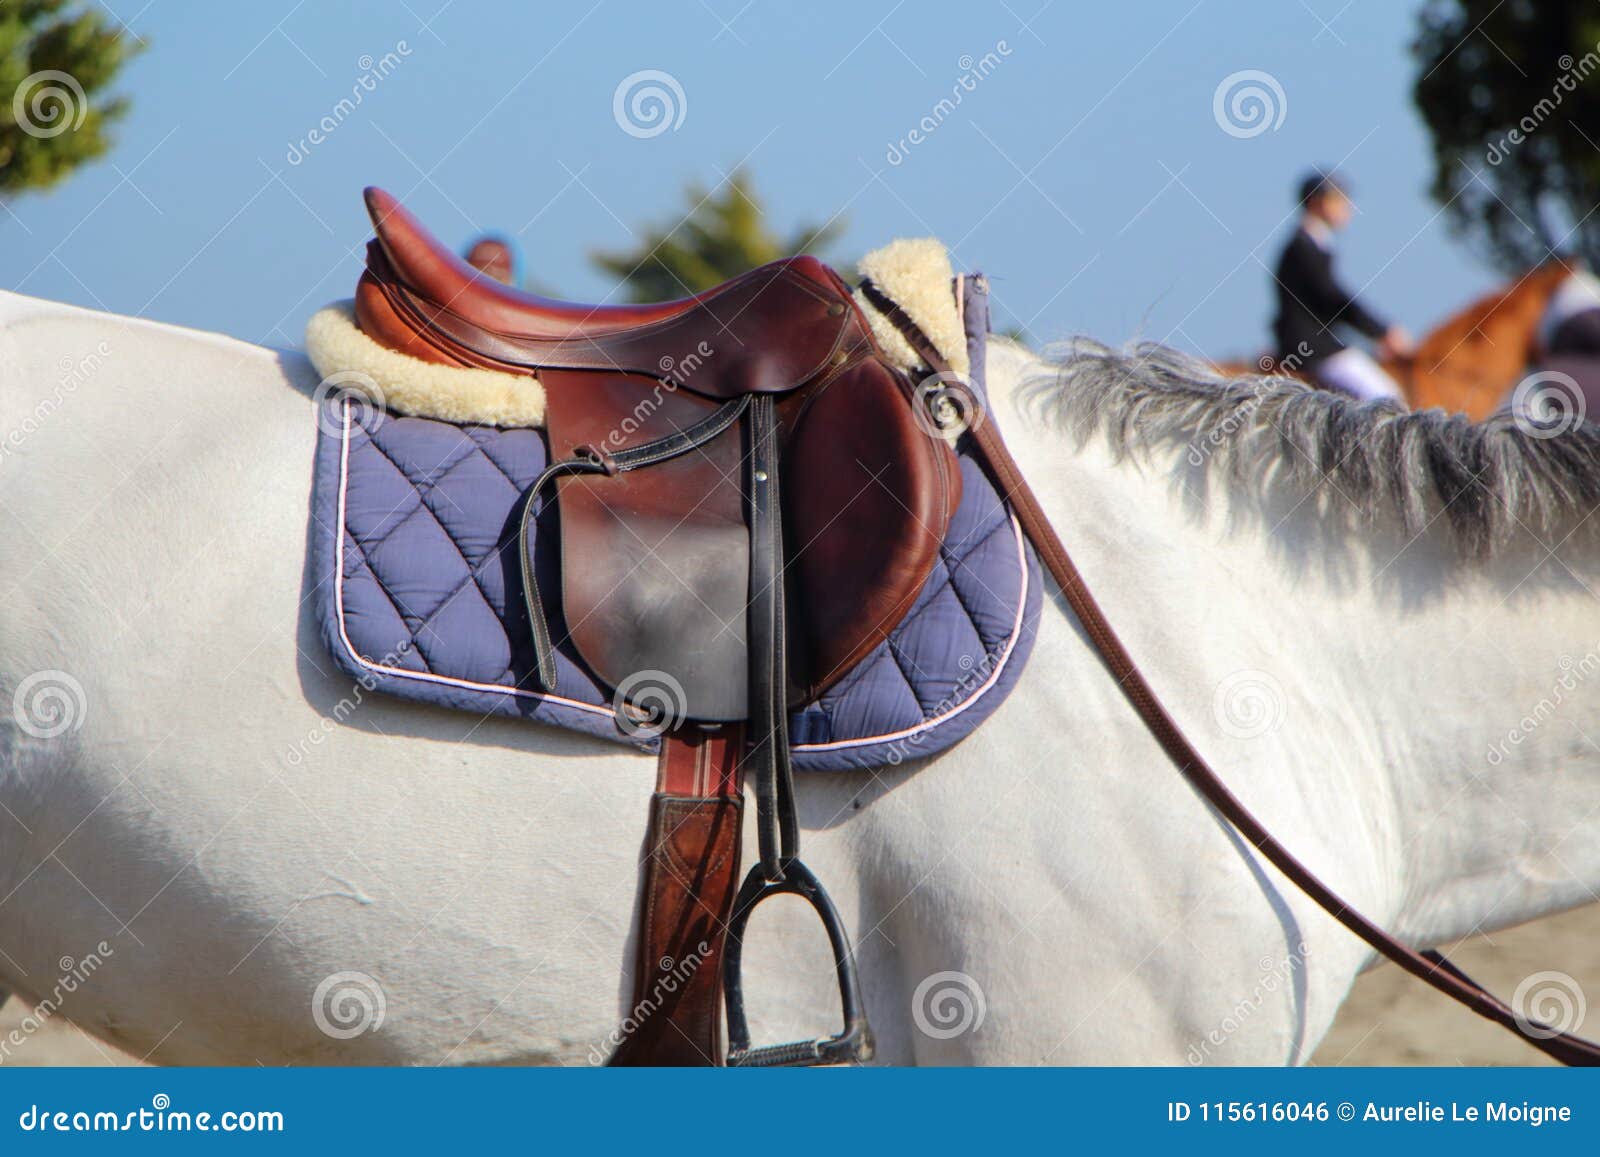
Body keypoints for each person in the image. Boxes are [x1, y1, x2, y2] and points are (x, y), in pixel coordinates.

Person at [1272, 170, 1413, 402]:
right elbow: (1332, 298)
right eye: (1339, 200)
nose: (1347, 207)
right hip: (1310, 349)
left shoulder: (1314, 243)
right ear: (1317, 203)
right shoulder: (1303, 247)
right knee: (1386, 398)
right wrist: (1382, 332)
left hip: (1317, 345)